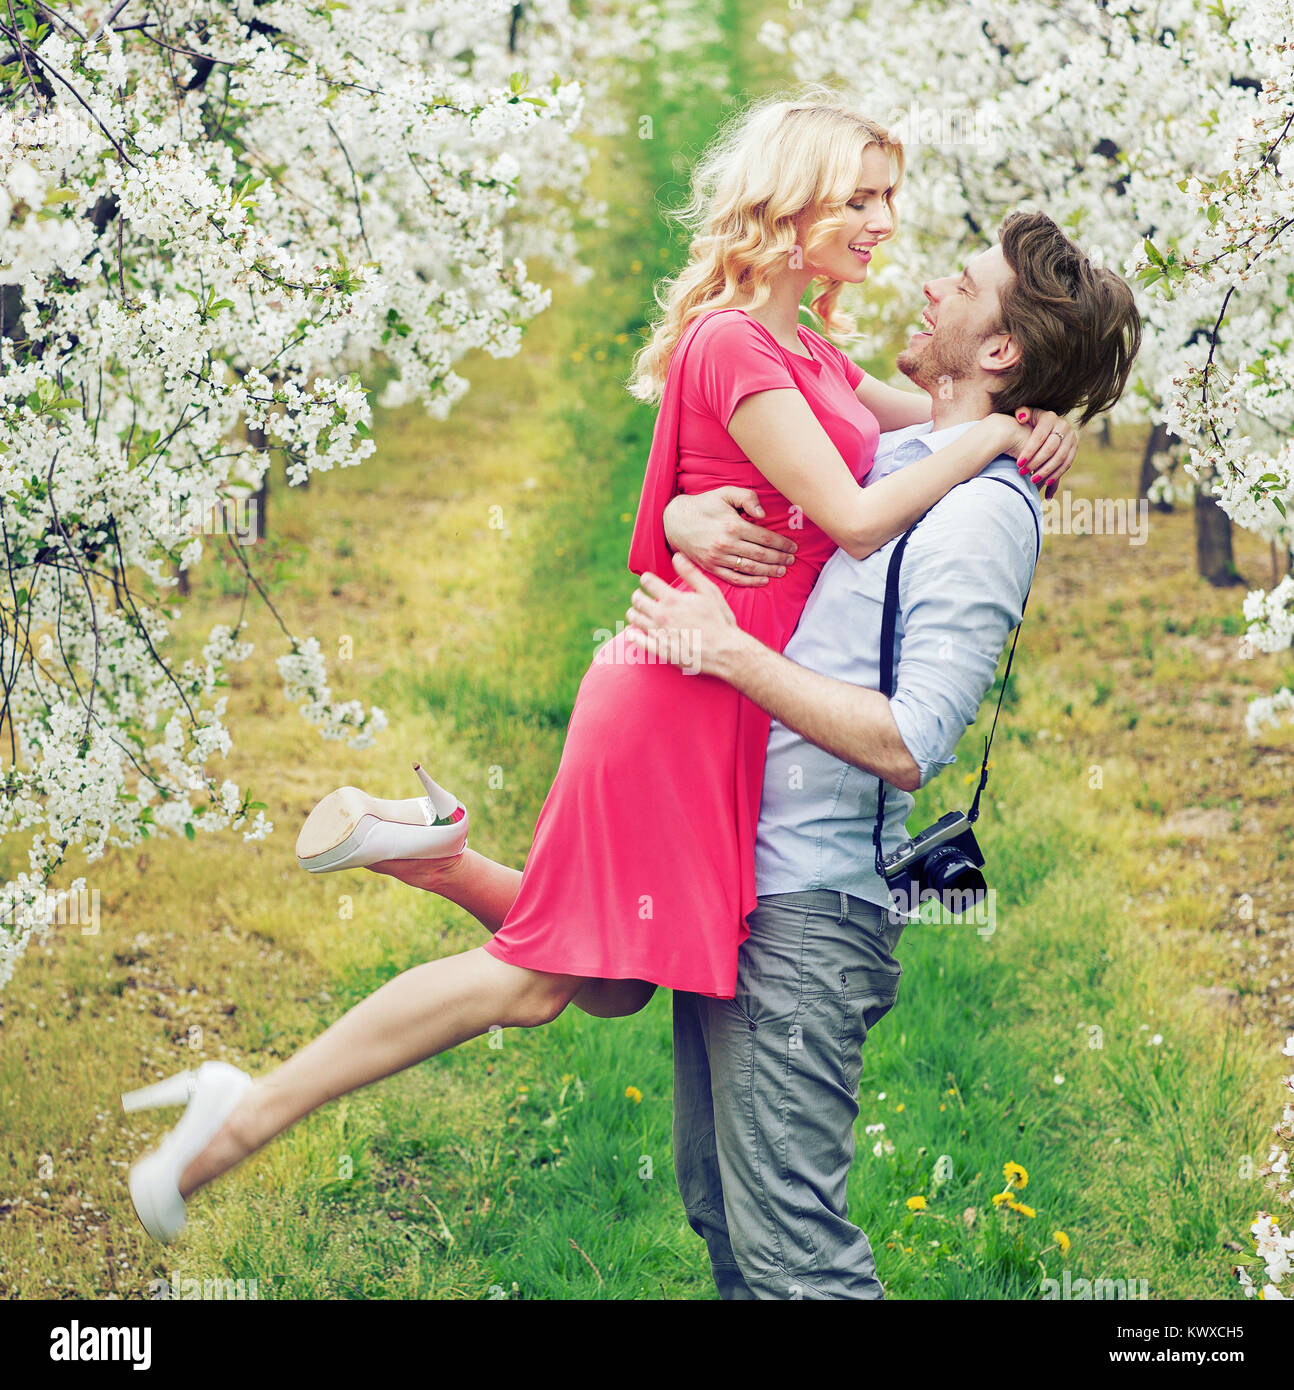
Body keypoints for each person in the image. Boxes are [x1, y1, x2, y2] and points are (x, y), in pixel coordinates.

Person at [119, 96, 1077, 1247]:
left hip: (717, 696)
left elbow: (918, 427)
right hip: (679, 692)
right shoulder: (736, 341)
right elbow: (865, 514)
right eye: (861, 200)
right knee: (537, 976)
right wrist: (993, 438)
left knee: (616, 976)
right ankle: (248, 1106)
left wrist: (1029, 427)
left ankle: (436, 850)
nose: (886, 225)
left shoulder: (809, 349)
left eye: (888, 199)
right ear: (792, 206)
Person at [627, 210, 1141, 1298]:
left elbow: (911, 740)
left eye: (957, 286)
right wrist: (679, 516)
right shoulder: (916, 452)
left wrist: (726, 653)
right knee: (725, 1218)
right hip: (743, 875)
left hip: (809, 908)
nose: (926, 291)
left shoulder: (982, 514)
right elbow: (798, 415)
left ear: (998, 350)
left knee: (795, 1263)